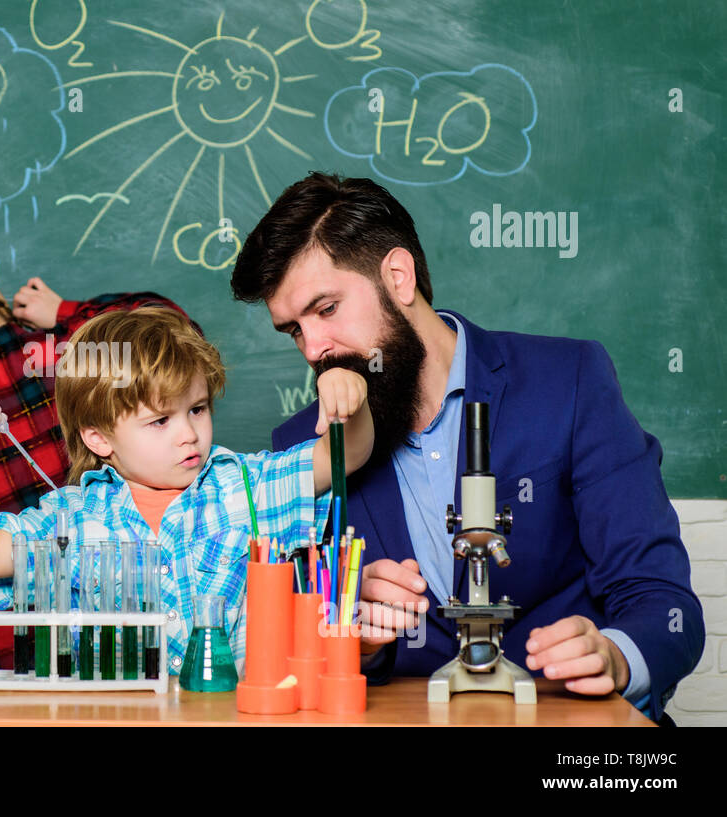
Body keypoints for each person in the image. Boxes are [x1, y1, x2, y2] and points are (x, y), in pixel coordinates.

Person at [230, 171, 704, 722]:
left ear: (399, 277)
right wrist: (354, 640)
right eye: (294, 330)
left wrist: (616, 657)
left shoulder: (569, 381)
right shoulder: (304, 450)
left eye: (326, 309)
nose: (313, 349)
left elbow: (663, 603)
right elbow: (289, 657)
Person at [0, 307, 374, 675]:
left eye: (198, 409)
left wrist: (350, 393)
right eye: (159, 421)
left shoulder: (243, 486)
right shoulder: (75, 518)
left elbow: (346, 456)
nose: (189, 434)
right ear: (99, 439)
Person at [0, 247, 191, 669]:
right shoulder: (65, 353)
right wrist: (64, 311)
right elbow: (168, 319)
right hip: (112, 602)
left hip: (1, 623)